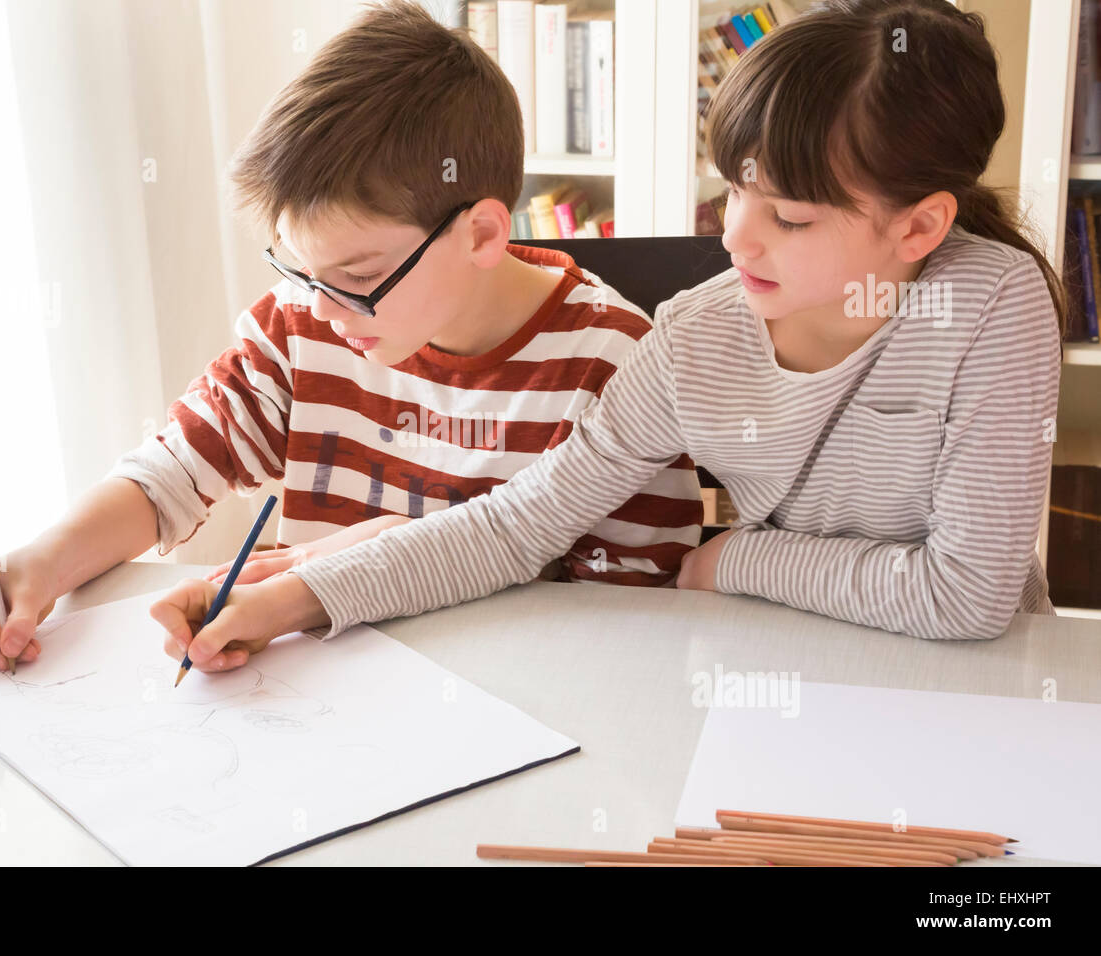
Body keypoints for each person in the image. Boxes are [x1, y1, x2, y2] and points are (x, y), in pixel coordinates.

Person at [153, 0, 1066, 670]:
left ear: (918, 229)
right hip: (797, 657)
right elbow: (516, 525)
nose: (735, 235)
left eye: (788, 216)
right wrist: (290, 600)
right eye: (734, 189)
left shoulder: (995, 307)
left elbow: (968, 595)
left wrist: (737, 557)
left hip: (976, 680)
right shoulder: (697, 334)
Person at [0, 0, 703, 672]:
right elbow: (169, 472)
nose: (324, 308)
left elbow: (634, 617)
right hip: (317, 703)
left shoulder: (608, 365)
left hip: (514, 707)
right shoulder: (303, 321)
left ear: (481, 233)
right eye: (300, 268)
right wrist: (37, 567)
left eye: (356, 274)